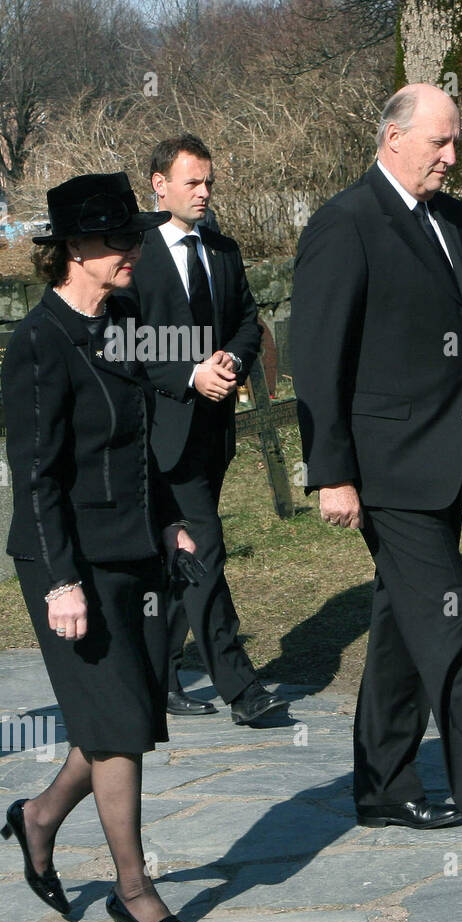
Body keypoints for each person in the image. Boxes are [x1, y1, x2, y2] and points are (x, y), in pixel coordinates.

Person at [291, 83, 462, 841]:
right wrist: (331, 471)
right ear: (392, 137)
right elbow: (316, 362)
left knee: (404, 620)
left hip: (442, 463)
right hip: (384, 469)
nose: (452, 158)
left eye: (456, 143)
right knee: (447, 608)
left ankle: (383, 785)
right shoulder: (344, 224)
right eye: (439, 143)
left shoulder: (455, 220)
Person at [0, 171, 207, 922]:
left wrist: (169, 523)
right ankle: (134, 888)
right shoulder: (36, 343)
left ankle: (38, 816)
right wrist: (60, 581)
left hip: (133, 547)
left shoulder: (123, 317)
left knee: (122, 711)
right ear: (74, 249)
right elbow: (35, 475)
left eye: (136, 236)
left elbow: (138, 442)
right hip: (66, 560)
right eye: (120, 239)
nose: (135, 250)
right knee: (119, 726)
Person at [114, 134, 286, 725]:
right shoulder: (130, 254)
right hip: (160, 433)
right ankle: (241, 687)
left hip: (214, 432)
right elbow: (122, 344)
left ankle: (152, 678)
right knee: (204, 549)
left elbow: (244, 319)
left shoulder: (223, 248)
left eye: (209, 181)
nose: (205, 192)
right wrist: (189, 372)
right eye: (193, 182)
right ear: (159, 185)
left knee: (180, 559)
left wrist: (230, 362)